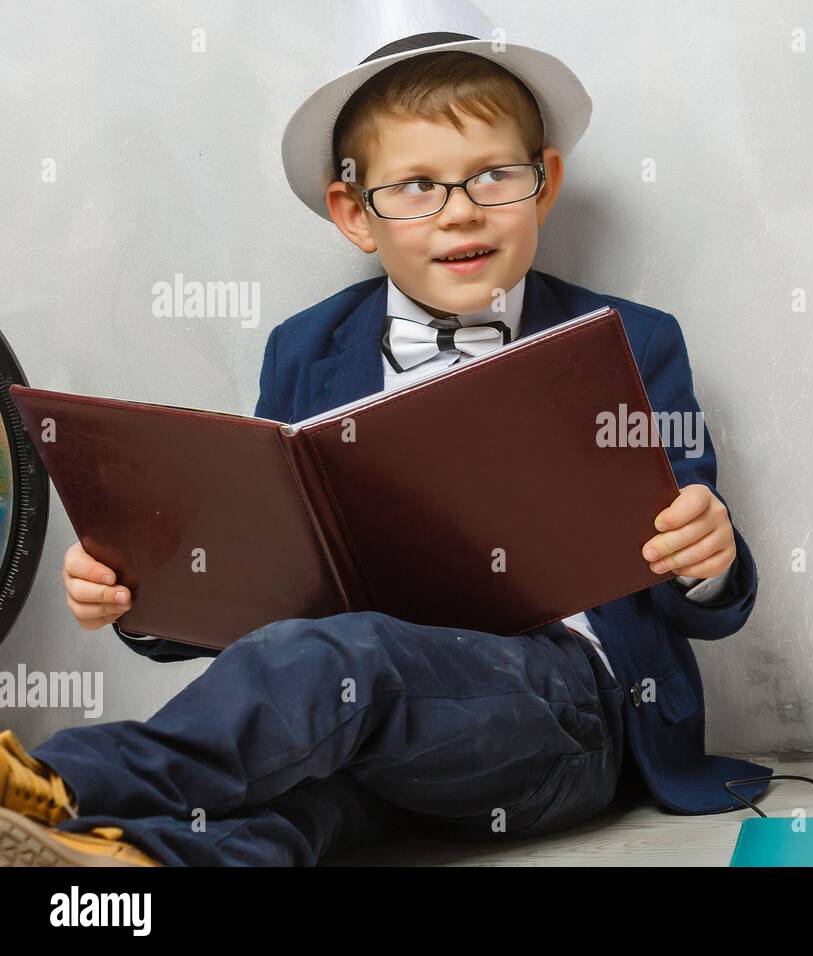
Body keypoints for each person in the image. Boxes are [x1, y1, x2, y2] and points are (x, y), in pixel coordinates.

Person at [0, 0, 770, 866]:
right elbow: (262, 572)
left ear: (544, 181)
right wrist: (136, 587)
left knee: (342, 659)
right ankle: (126, 871)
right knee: (302, 797)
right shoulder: (304, 350)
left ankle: (65, 781)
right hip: (374, 727)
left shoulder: (635, 340)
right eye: (414, 185)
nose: (461, 211)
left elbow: (705, 597)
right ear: (353, 211)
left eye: (493, 176)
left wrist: (707, 559)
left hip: (564, 714)